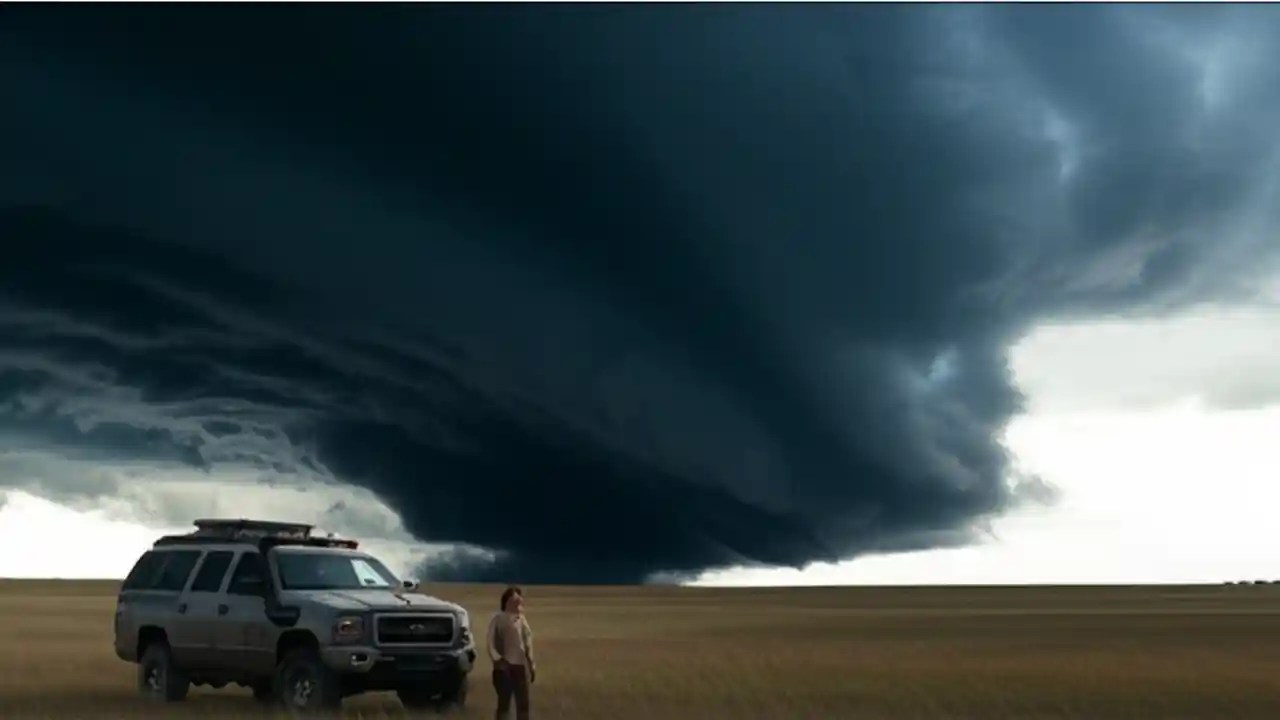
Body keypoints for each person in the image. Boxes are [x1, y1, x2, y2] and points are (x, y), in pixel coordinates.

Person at [487, 585, 535, 720]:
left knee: (523, 704)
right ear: (507, 600)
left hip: (520, 666)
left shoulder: (521, 619)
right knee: (504, 703)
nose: (518, 600)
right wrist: (497, 660)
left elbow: (528, 642)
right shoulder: (498, 619)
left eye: (519, 599)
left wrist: (531, 663)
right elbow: (490, 643)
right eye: (515, 598)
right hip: (505, 667)